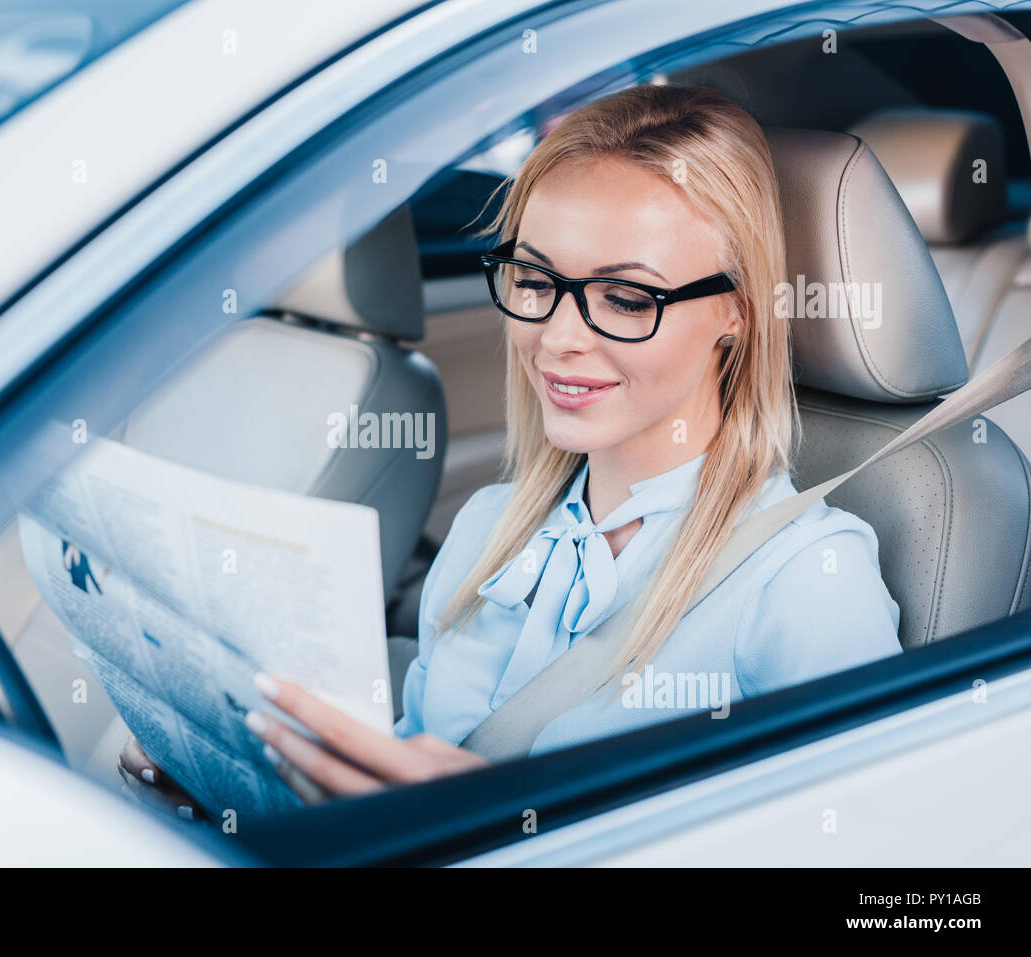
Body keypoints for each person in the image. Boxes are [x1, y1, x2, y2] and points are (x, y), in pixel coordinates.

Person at [119, 84, 902, 817]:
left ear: (734, 310)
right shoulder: (488, 531)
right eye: (533, 280)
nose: (557, 338)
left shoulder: (806, 581)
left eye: (625, 298)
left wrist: (512, 824)